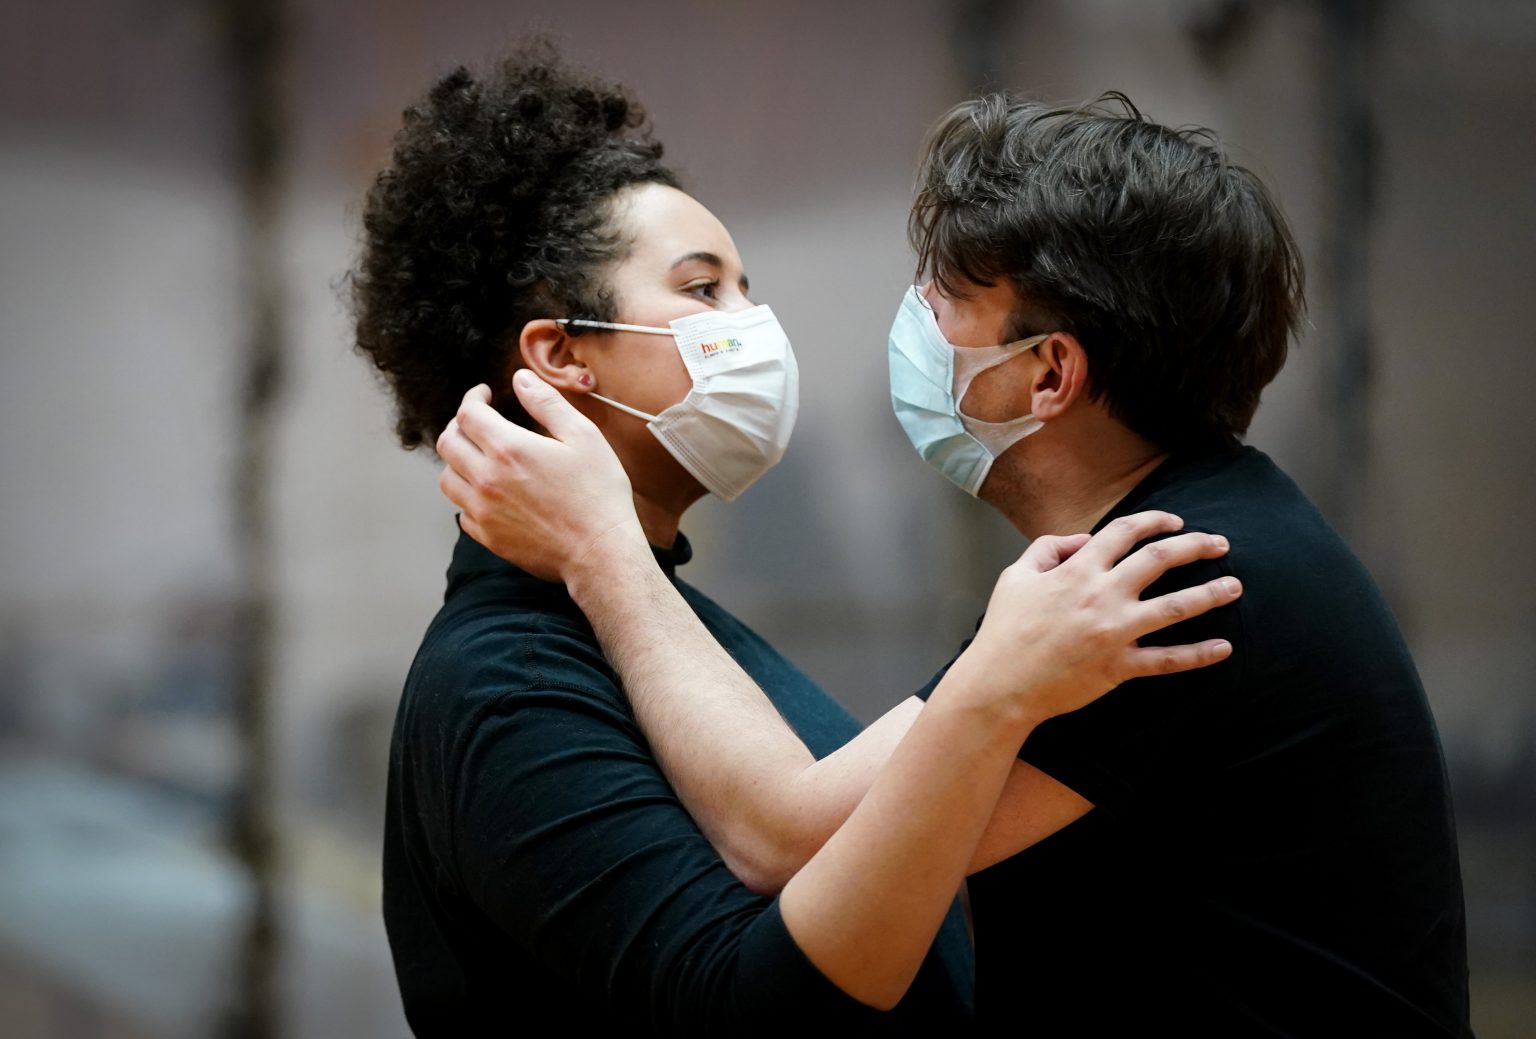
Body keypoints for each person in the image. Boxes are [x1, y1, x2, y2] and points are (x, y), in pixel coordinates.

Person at [440, 92, 1474, 1036]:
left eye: (944, 299)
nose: (913, 319)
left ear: (1050, 370)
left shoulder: (1160, 574)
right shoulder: (1149, 552)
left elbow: (789, 837)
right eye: (704, 288)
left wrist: (604, 551)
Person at [355, 51, 1241, 1036]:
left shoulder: (671, 630)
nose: (756, 327)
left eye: (747, 286)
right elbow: (758, 1004)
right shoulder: (502, 684)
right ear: (562, 355)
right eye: (704, 290)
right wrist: (997, 682)